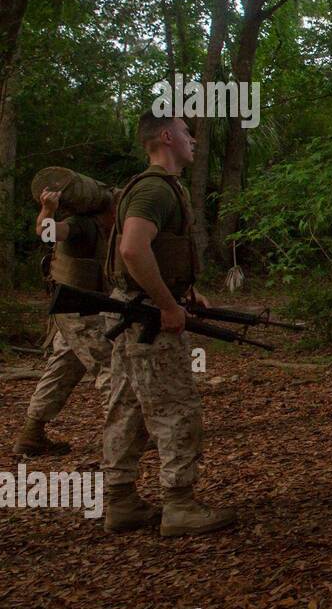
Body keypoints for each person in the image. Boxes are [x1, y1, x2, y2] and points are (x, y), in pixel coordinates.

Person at [100, 112, 234, 536]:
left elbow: (154, 251)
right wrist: (167, 306)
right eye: (184, 131)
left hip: (131, 310)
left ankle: (120, 502)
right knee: (176, 407)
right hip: (146, 318)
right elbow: (133, 249)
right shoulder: (156, 188)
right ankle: (179, 504)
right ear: (165, 137)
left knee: (128, 407)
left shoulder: (156, 187)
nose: (192, 137)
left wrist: (182, 293)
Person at [12, 185, 117, 456]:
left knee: (62, 369)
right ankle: (122, 437)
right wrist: (47, 210)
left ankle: (31, 435)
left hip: (80, 311)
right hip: (78, 313)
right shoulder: (81, 224)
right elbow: (46, 232)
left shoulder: (107, 230)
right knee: (111, 367)